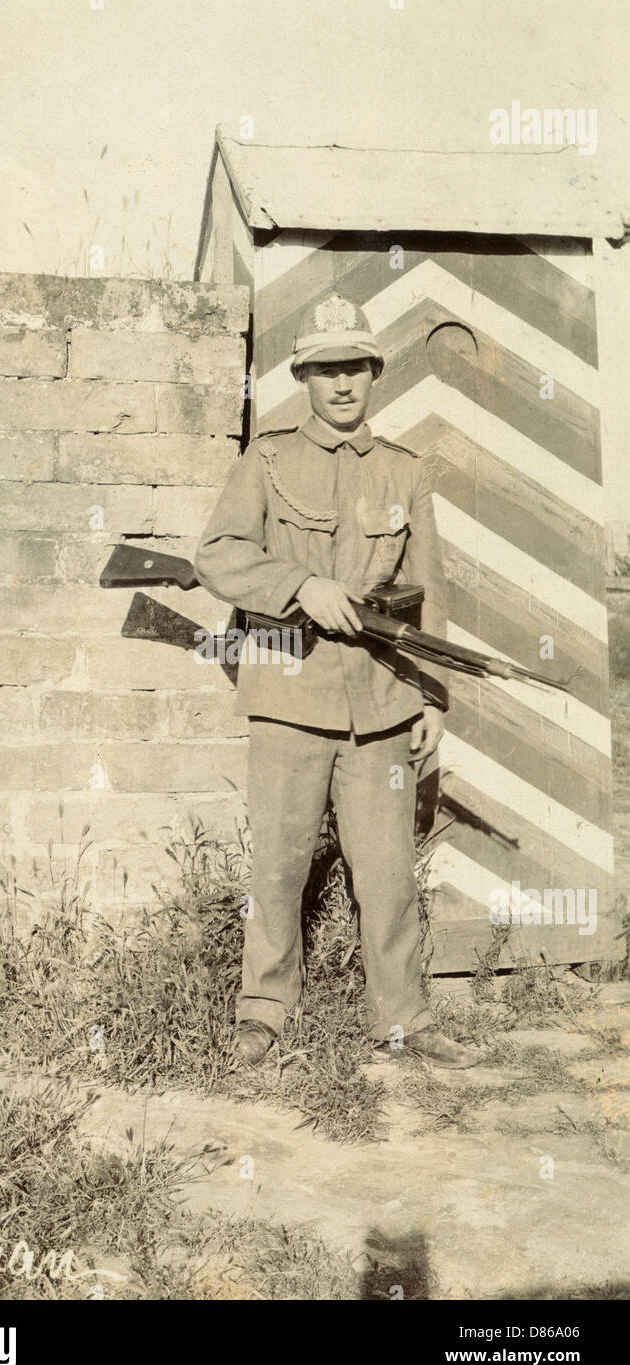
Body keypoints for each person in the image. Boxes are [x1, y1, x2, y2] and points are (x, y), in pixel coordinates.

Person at [194, 292, 480, 1069]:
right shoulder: (267, 459)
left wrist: (431, 694)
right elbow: (215, 553)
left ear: (374, 374)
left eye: (355, 366)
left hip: (382, 706)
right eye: (325, 370)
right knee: (279, 866)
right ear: (305, 379)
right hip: (287, 697)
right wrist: (297, 585)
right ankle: (263, 1012)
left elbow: (427, 595)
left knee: (385, 875)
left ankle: (403, 1019)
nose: (342, 383)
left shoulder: (403, 472)